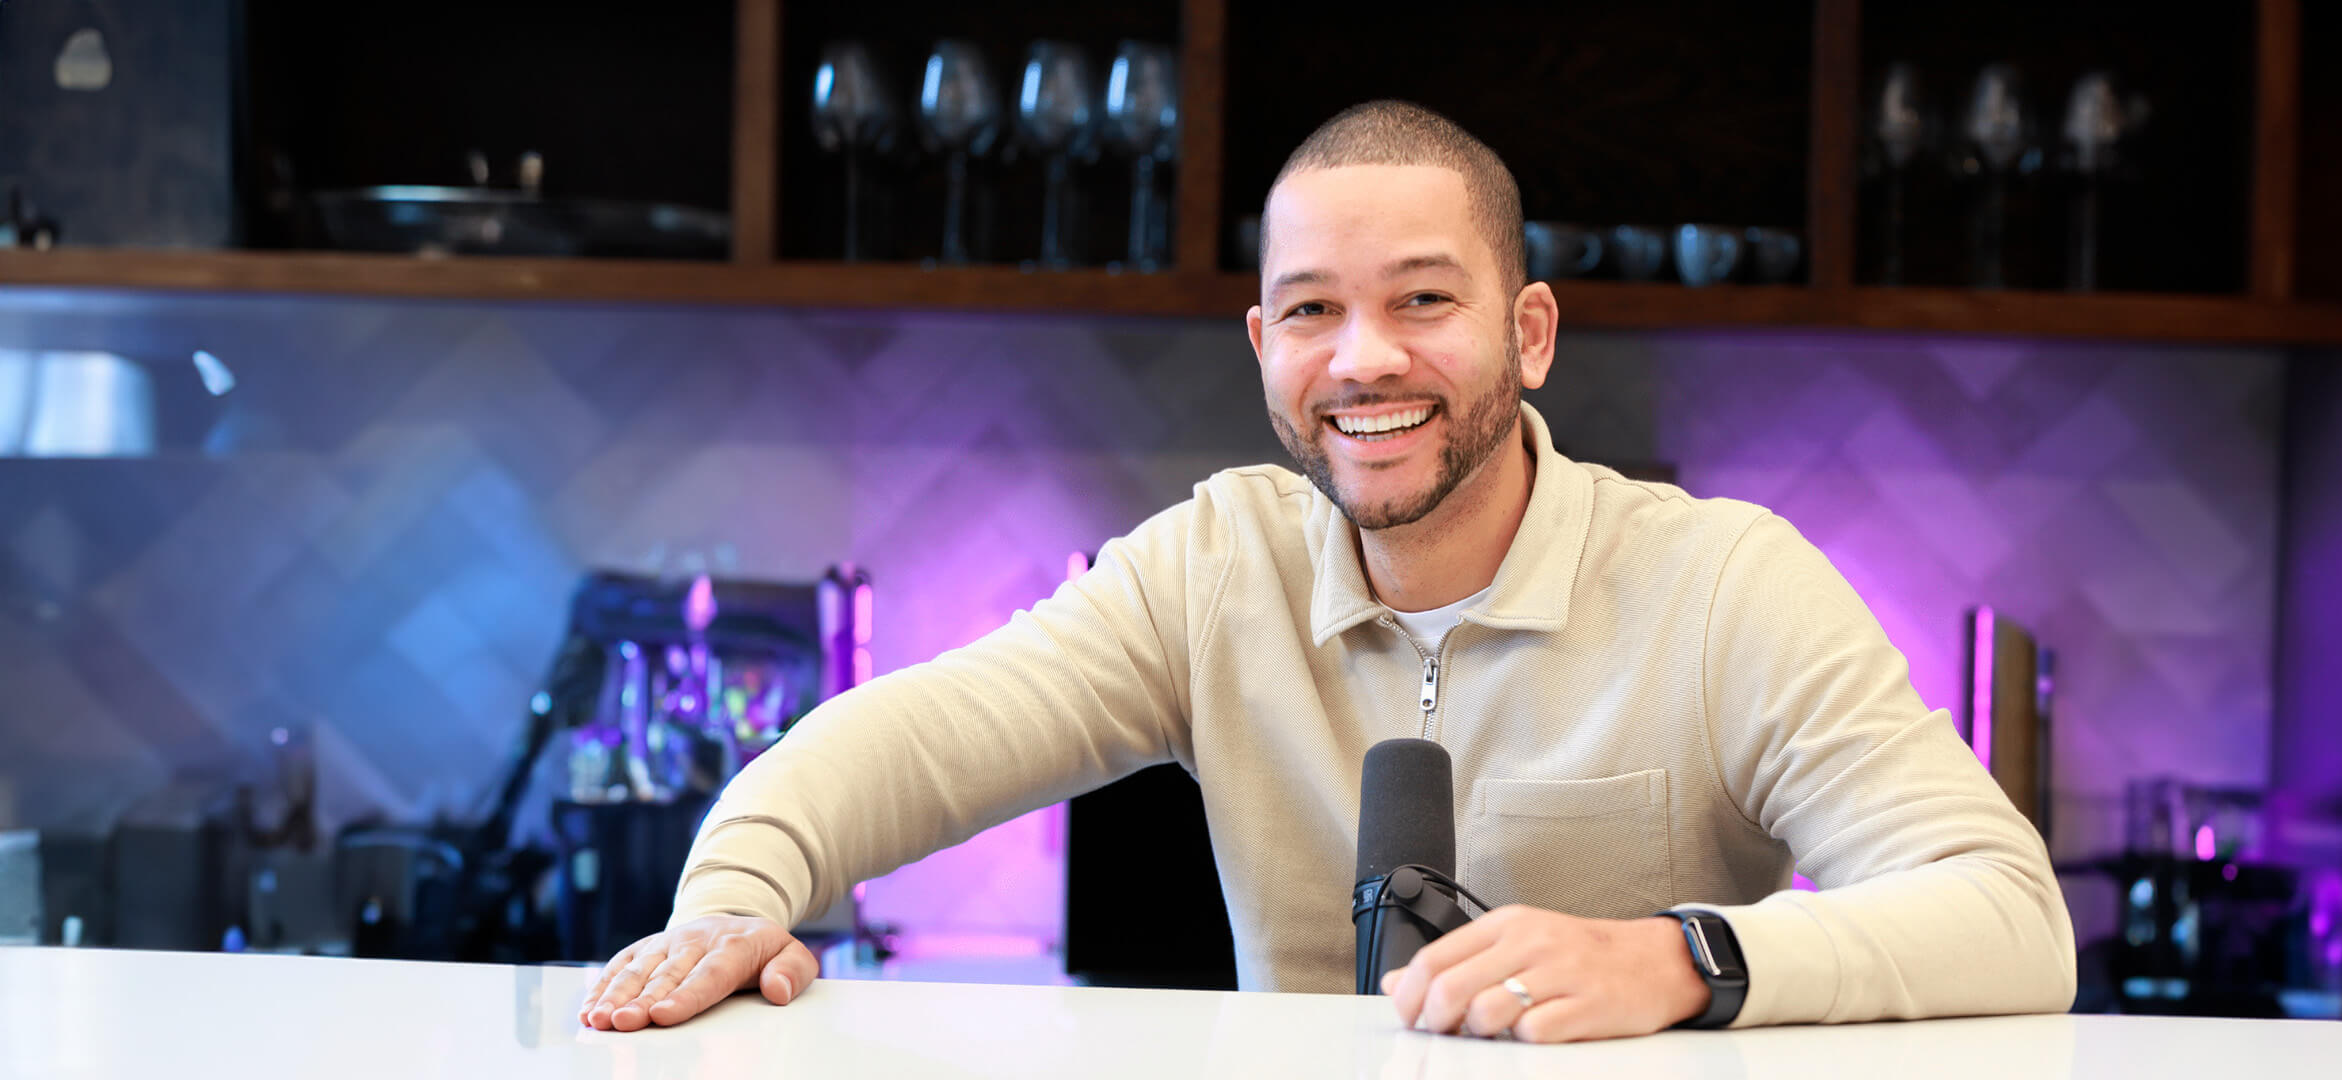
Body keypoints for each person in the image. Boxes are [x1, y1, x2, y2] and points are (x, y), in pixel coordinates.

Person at [577, 100, 2073, 1043]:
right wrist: (734, 896)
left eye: (1425, 299)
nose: (1364, 360)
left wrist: (1680, 960)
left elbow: (2009, 915)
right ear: (1263, 347)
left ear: (1530, 333)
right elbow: (910, 736)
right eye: (1312, 311)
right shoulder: (1209, 567)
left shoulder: (1728, 585)